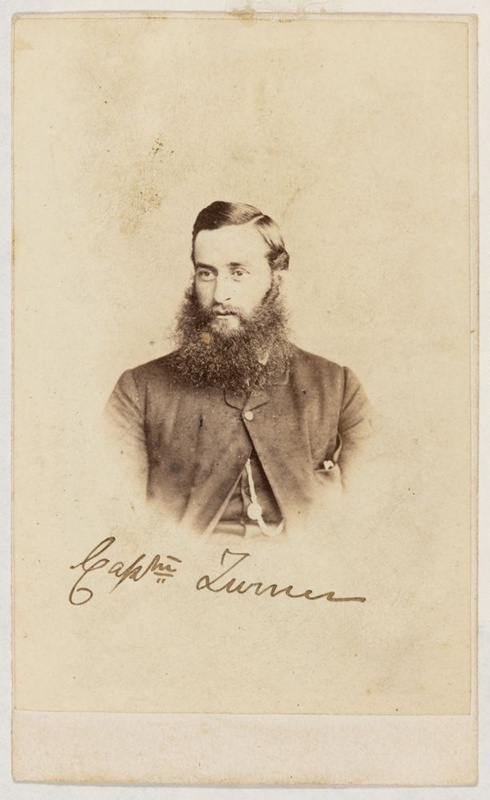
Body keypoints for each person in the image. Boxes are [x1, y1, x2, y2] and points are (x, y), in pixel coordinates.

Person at [105, 201, 372, 538]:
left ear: (275, 279)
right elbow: (117, 520)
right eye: (207, 273)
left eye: (238, 273)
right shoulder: (139, 390)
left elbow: (368, 520)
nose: (220, 294)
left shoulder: (338, 386)